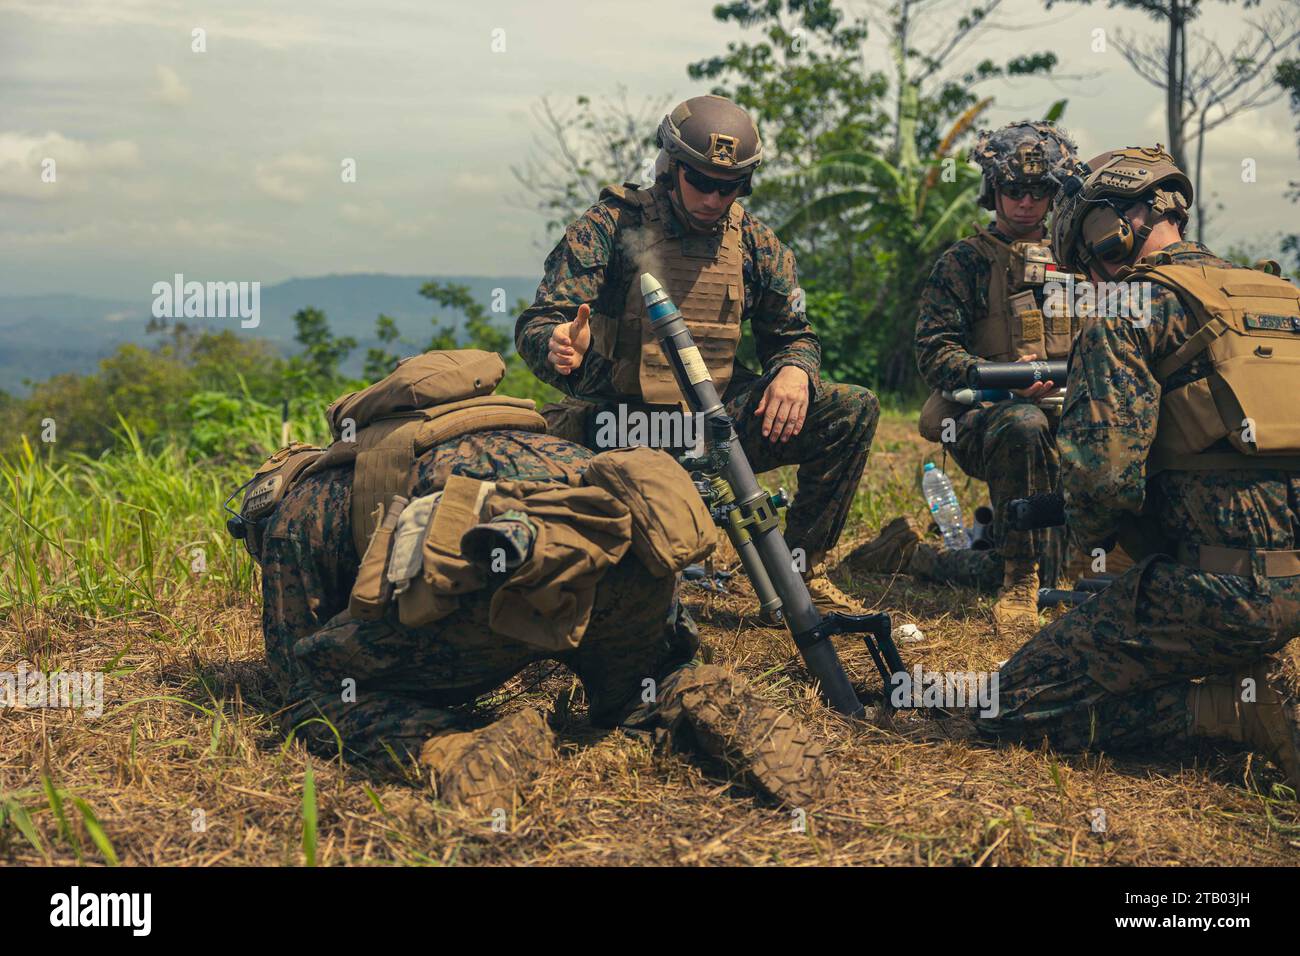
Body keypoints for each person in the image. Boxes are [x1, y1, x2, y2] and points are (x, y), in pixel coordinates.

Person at [241, 350, 831, 814]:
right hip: (622, 546)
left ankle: (452, 748)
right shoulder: (518, 427)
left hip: (488, 571)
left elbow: (293, 667)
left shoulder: (304, 502)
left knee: (312, 693)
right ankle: (688, 693)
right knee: (642, 682)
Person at [955, 145, 1300, 785]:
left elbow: (1102, 484)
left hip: (1223, 594)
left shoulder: (1125, 311)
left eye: (1086, 258)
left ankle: (1230, 711)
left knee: (1003, 708)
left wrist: (1103, 538)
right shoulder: (1282, 295)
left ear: (1104, 228)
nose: (1088, 277)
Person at [515, 94, 879, 614]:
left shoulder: (756, 243)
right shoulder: (613, 225)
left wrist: (795, 370)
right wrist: (555, 345)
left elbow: (793, 334)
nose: (713, 197)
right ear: (672, 168)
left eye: (727, 187)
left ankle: (803, 572)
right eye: (701, 181)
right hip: (619, 422)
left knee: (851, 408)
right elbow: (541, 319)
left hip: (715, 424)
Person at [850, 121, 1080, 636]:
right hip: (990, 419)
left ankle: (913, 551)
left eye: (1038, 192)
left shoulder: (1081, 262)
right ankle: (1018, 582)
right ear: (992, 191)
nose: (1025, 202)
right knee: (1023, 425)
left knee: (1071, 569)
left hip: (1074, 420)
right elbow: (934, 351)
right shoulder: (965, 263)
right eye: (1012, 190)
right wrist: (1000, 377)